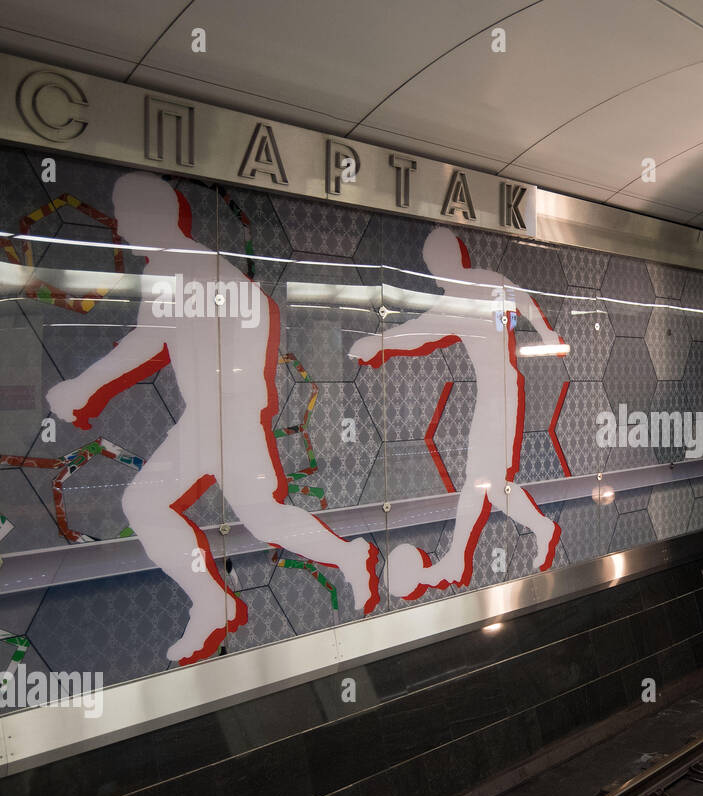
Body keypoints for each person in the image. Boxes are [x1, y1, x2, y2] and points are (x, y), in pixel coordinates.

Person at [46, 172, 379, 665]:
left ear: (146, 216)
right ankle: (230, 595)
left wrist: (81, 389)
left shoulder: (179, 270)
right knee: (187, 508)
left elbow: (144, 342)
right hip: (219, 418)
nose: (123, 229)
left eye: (127, 217)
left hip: (222, 418)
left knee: (194, 510)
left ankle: (232, 594)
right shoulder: (210, 268)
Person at [349, 226, 564, 599]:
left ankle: (476, 552)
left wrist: (378, 342)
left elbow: (419, 332)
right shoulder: (484, 283)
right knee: (486, 484)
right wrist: (546, 333)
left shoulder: (462, 295)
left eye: (434, 267)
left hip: (501, 396)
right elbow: (522, 301)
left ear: (448, 260)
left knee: (486, 483)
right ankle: (464, 556)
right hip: (498, 393)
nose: (435, 275)